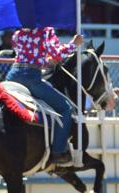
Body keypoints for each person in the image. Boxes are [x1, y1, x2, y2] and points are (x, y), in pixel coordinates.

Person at [5, 27, 85, 167]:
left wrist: (45, 59)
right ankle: (58, 152)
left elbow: (26, 54)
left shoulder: (18, 34)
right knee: (65, 109)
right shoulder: (46, 31)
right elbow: (57, 54)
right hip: (31, 77)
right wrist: (74, 43)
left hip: (12, 74)